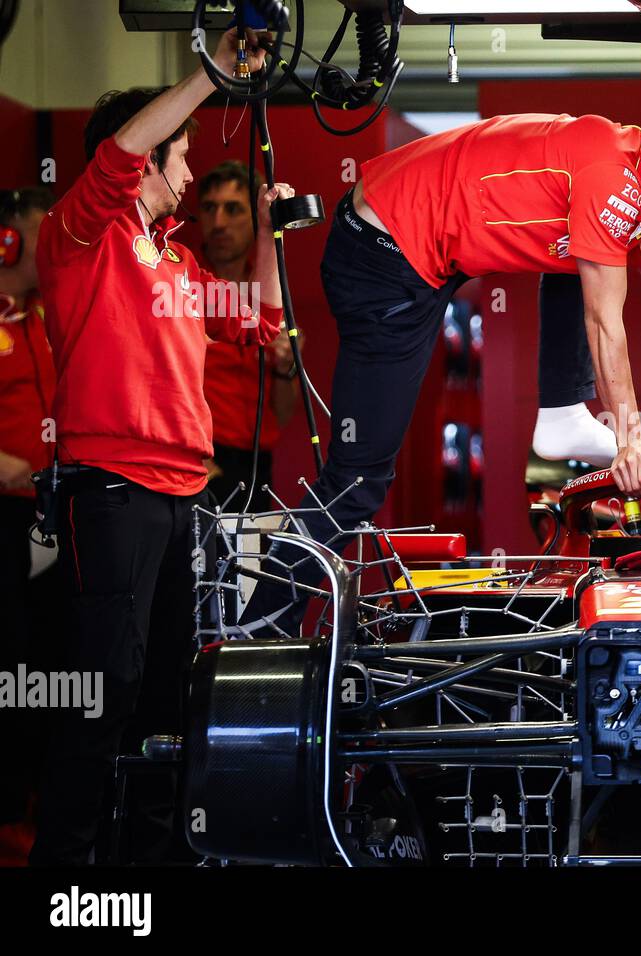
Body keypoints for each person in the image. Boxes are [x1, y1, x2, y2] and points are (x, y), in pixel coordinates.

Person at [242, 108, 641, 629]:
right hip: (382, 254)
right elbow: (604, 323)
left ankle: (562, 411)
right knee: (358, 481)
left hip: (417, 257)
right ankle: (258, 628)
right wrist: (629, 437)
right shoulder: (610, 178)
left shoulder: (634, 198)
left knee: (596, 253)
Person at [29, 26, 294, 865]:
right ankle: (66, 876)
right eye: (176, 154)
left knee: (164, 709)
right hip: (109, 493)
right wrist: (213, 73)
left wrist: (274, 236)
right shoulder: (81, 238)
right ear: (139, 159)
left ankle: (147, 871)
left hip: (184, 500)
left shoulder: (176, 264)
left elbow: (261, 319)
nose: (187, 172)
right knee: (98, 700)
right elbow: (116, 155)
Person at [0, 186, 57, 853]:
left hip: (48, 510)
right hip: (5, 521)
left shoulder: (44, 316)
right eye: (44, 239)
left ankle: (38, 795)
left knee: (48, 658)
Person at [196, 160, 300, 511]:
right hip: (197, 460)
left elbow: (283, 415)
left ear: (255, 217)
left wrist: (286, 366)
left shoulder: (270, 296)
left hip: (255, 462)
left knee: (253, 564)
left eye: (233, 209)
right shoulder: (179, 285)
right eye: (210, 209)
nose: (219, 222)